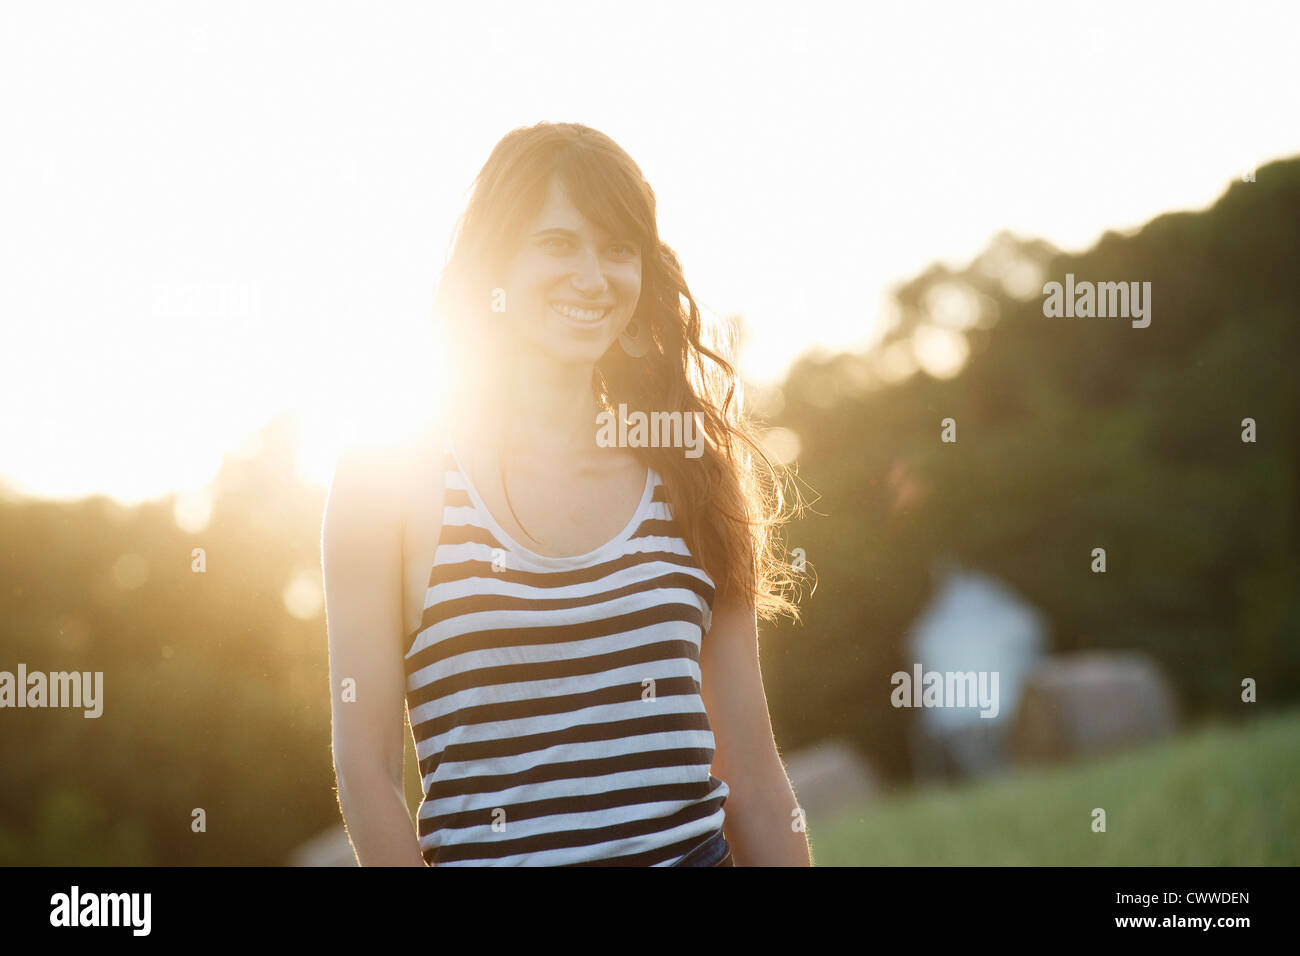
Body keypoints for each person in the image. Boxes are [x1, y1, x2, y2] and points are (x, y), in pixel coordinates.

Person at [322, 121, 810, 866]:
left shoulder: (691, 473)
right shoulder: (385, 480)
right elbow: (366, 774)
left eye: (618, 248)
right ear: (496, 261)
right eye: (558, 243)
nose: (593, 275)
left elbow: (755, 781)